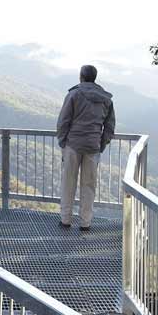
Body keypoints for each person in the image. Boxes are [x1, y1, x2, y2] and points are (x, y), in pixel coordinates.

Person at [55, 64, 115, 231]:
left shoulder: (73, 94)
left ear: (81, 76)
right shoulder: (106, 99)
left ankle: (65, 220)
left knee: (68, 183)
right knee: (88, 185)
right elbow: (109, 127)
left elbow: (63, 121)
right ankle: (85, 223)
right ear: (94, 77)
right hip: (93, 146)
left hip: (73, 145)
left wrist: (63, 142)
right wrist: (101, 144)